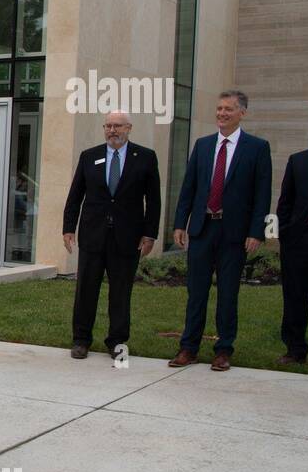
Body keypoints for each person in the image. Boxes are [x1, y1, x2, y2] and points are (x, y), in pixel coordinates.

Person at [169, 90, 273, 371]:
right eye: (219, 109)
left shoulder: (257, 147)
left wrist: (256, 232)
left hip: (234, 233)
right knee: (196, 292)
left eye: (228, 109)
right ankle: (188, 348)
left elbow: (262, 194)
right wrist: (181, 223)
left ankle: (223, 350)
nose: (222, 114)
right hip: (203, 229)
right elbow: (189, 187)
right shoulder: (202, 146)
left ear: (242, 113)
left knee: (228, 294)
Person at [62, 111, 161, 359]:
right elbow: (75, 195)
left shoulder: (145, 157)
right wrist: (68, 227)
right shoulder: (90, 156)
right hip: (93, 235)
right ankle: (81, 339)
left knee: (120, 291)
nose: (112, 131)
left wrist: (150, 234)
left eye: (117, 126)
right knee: (86, 289)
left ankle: (117, 341)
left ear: (129, 128)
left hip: (127, 237)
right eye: (108, 126)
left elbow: (154, 200)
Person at [275, 108, 308, 373]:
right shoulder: (298, 161)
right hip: (298, 243)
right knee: (294, 297)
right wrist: (285, 233)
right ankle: (295, 350)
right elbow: (285, 202)